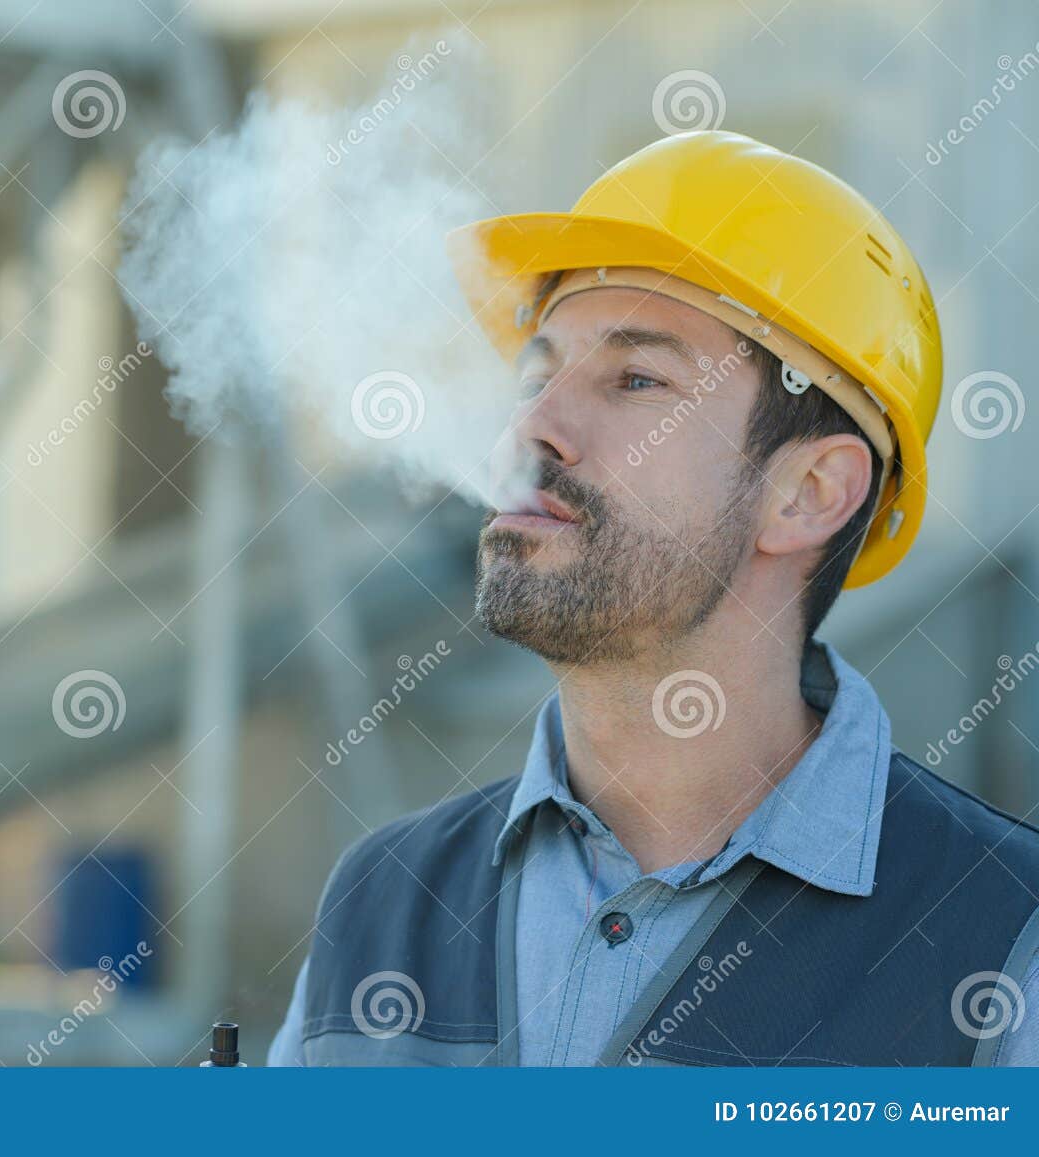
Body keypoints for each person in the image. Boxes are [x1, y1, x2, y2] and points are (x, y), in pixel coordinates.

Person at [268, 130, 1039, 1066]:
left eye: (637, 379)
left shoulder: (1004, 948)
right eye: (537, 373)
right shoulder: (381, 904)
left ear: (808, 494)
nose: (531, 427)